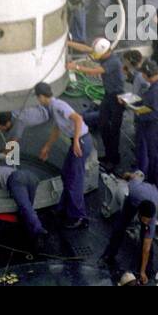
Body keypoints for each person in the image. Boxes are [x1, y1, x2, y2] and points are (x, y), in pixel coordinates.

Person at [32, 81, 91, 229]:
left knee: (74, 180)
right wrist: (47, 147)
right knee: (66, 175)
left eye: (38, 98)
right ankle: (64, 208)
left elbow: (78, 118)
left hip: (81, 142)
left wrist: (76, 141)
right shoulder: (54, 106)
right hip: (79, 141)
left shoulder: (58, 106)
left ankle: (79, 216)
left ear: (41, 97)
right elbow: (57, 128)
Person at [68, 37, 124, 173]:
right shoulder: (104, 53)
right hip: (108, 96)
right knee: (103, 125)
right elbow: (86, 49)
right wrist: (67, 43)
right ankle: (108, 156)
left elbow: (94, 71)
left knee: (113, 131)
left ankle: (113, 159)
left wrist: (75, 67)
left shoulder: (113, 62)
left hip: (116, 99)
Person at [102, 173, 158, 285]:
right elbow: (134, 177)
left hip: (153, 193)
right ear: (139, 214)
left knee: (147, 237)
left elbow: (146, 247)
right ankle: (109, 254)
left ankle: (146, 270)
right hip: (134, 200)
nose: (145, 223)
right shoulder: (135, 190)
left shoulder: (151, 219)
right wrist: (127, 175)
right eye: (144, 220)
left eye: (148, 221)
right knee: (121, 225)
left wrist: (142, 271)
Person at [132, 59, 158, 198]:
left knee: (156, 159)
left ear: (147, 75)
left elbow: (157, 113)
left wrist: (139, 115)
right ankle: (153, 183)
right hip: (154, 127)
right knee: (153, 157)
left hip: (155, 129)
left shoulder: (156, 90)